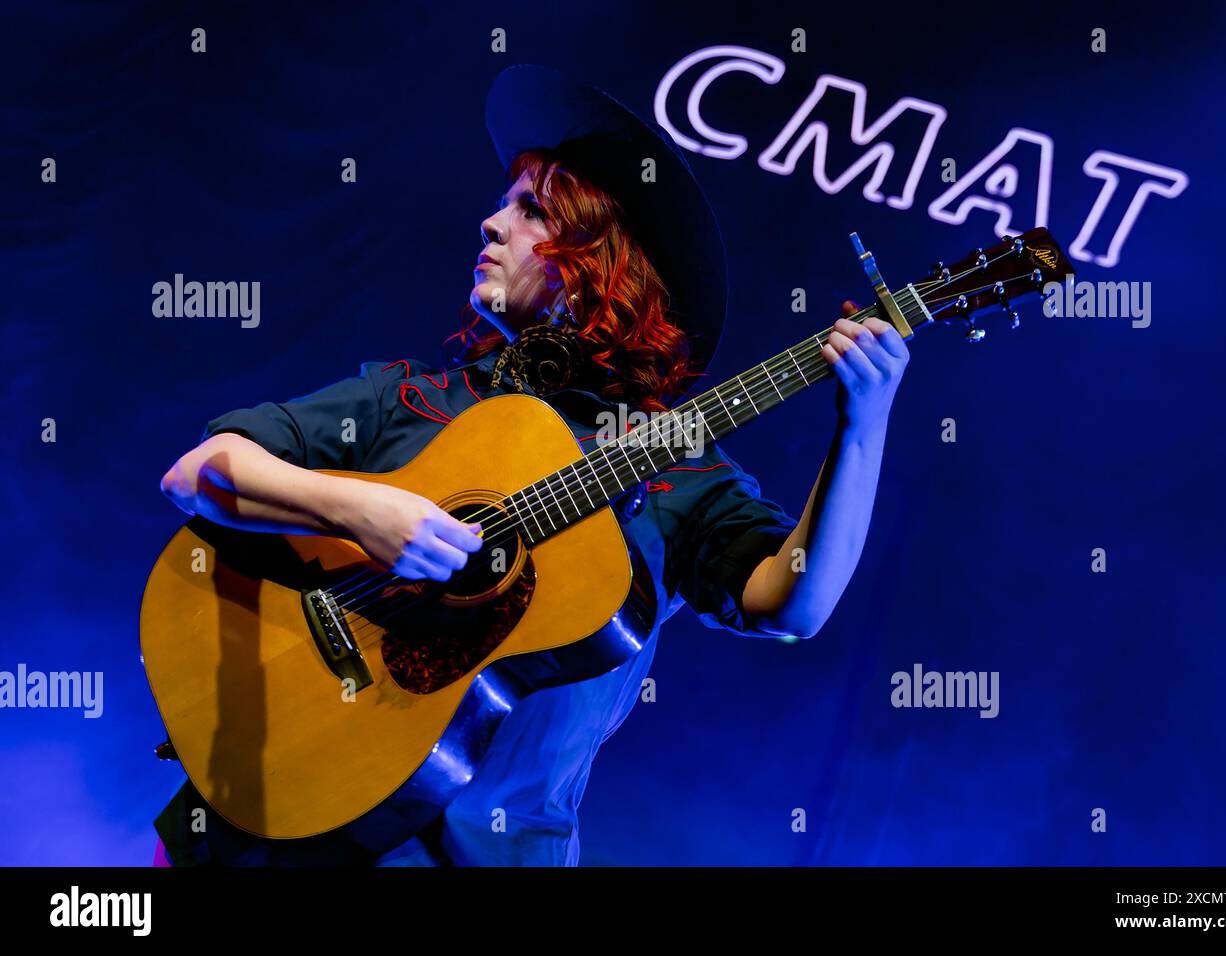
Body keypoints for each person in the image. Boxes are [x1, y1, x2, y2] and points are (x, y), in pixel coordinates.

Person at [150, 64, 908, 866]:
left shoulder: (677, 468)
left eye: (531, 209)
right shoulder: (418, 399)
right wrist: (360, 512)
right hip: (248, 829)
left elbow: (793, 603)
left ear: (603, 262)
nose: (489, 222)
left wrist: (864, 425)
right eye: (504, 202)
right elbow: (201, 471)